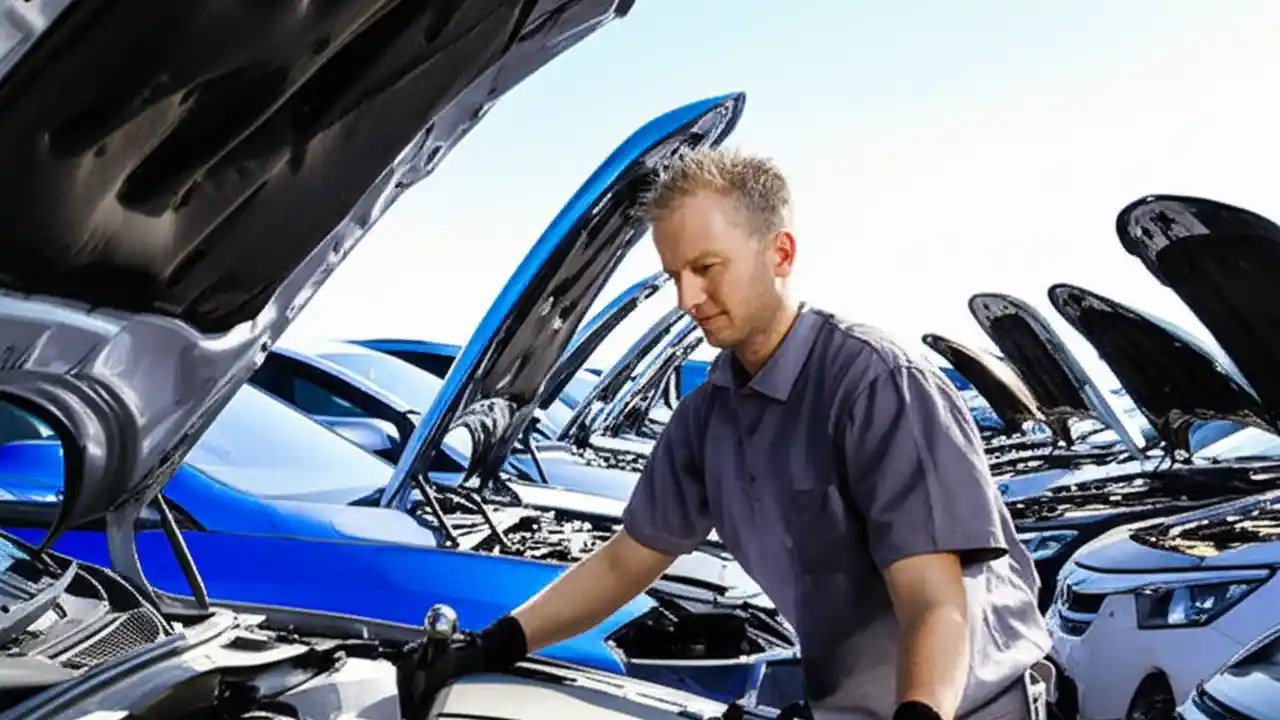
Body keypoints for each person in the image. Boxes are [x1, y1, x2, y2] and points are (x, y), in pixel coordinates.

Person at [399, 147, 1054, 720]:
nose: (687, 297)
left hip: (969, 705)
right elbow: (627, 561)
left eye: (706, 267)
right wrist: (493, 644)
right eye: (673, 276)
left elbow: (934, 604)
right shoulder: (708, 417)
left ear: (781, 253)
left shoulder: (877, 384)